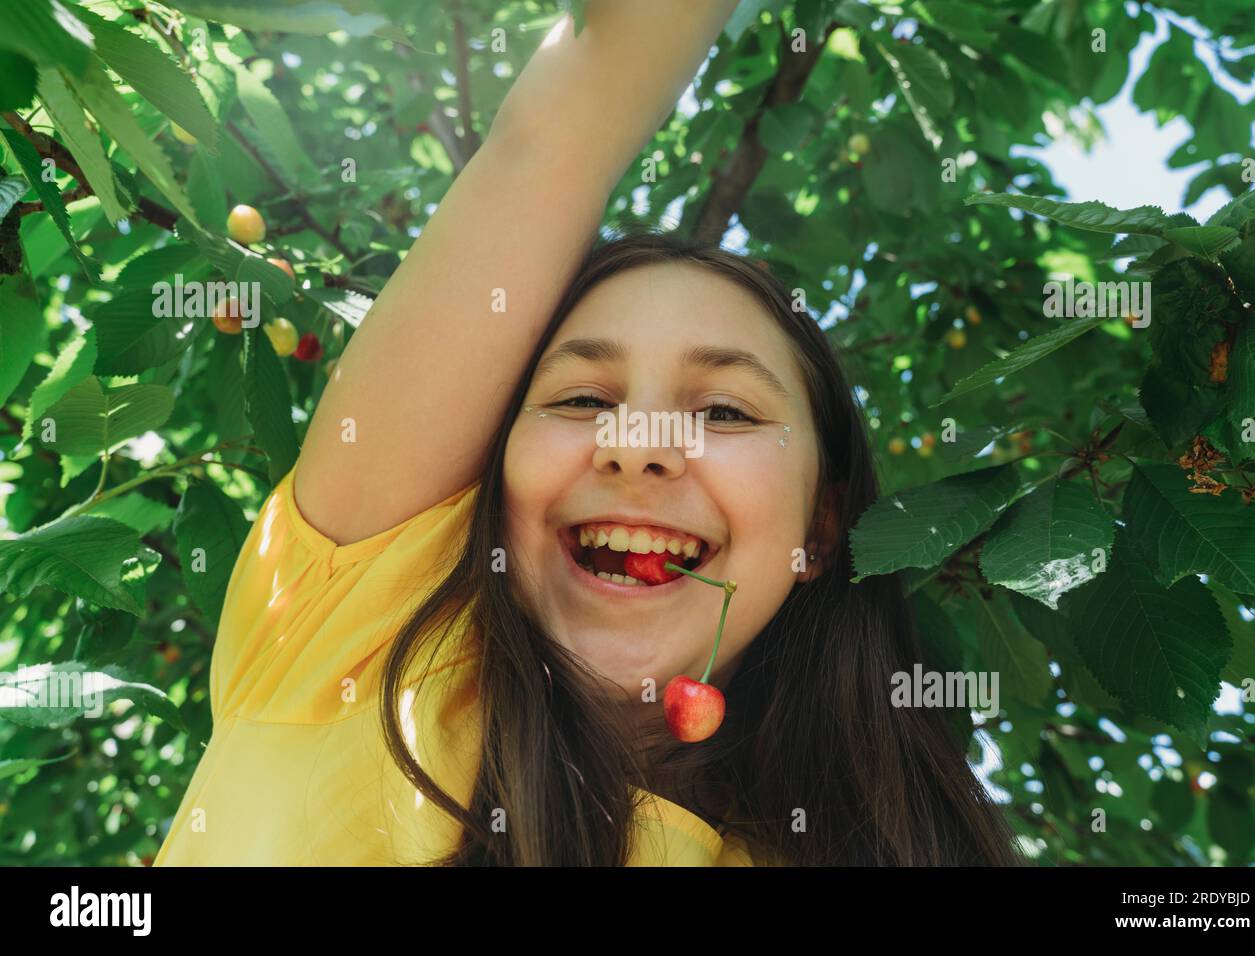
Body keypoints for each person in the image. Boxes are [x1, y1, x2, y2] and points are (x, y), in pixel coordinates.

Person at [156, 0, 1018, 866]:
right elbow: (556, 133)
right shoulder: (346, 629)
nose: (636, 442)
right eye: (580, 400)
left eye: (724, 412)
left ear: (822, 529)